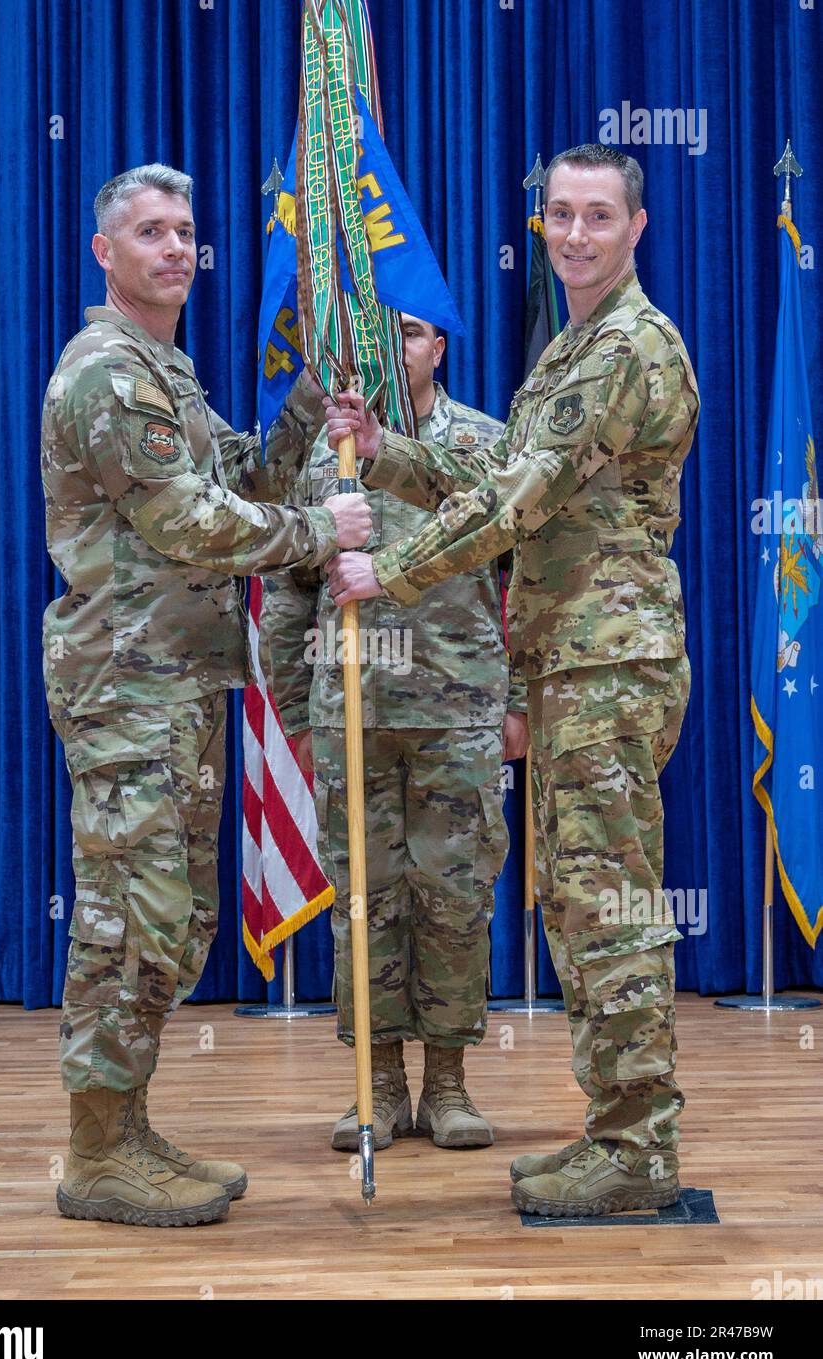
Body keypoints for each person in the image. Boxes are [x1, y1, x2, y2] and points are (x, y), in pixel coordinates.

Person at [323, 144, 701, 1217]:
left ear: (636, 228)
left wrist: (385, 567)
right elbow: (492, 469)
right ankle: (613, 1134)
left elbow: (515, 505)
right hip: (572, 659)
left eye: (596, 215)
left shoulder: (627, 346)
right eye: (558, 215)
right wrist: (382, 448)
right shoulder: (572, 348)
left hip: (607, 659)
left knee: (608, 907)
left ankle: (636, 1150)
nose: (574, 233)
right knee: (581, 906)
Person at [41, 163, 371, 1227]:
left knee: (169, 921)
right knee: (125, 920)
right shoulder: (106, 372)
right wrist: (321, 535)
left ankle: (126, 1128)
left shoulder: (164, 370)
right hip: (128, 685)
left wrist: (310, 406)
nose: (175, 248)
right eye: (150, 232)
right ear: (106, 252)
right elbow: (187, 519)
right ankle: (96, 1152)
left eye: (185, 230)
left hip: (176, 683)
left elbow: (236, 472)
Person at [260, 316, 522, 1152]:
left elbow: (529, 582)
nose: (395, 348)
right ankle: (374, 1081)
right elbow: (290, 592)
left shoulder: (484, 443)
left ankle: (446, 1081)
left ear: (441, 346)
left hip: (461, 711)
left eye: (412, 332)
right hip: (352, 711)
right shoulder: (320, 456)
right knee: (363, 904)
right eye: (379, 333)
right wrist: (296, 711)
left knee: (454, 898)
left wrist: (520, 703)